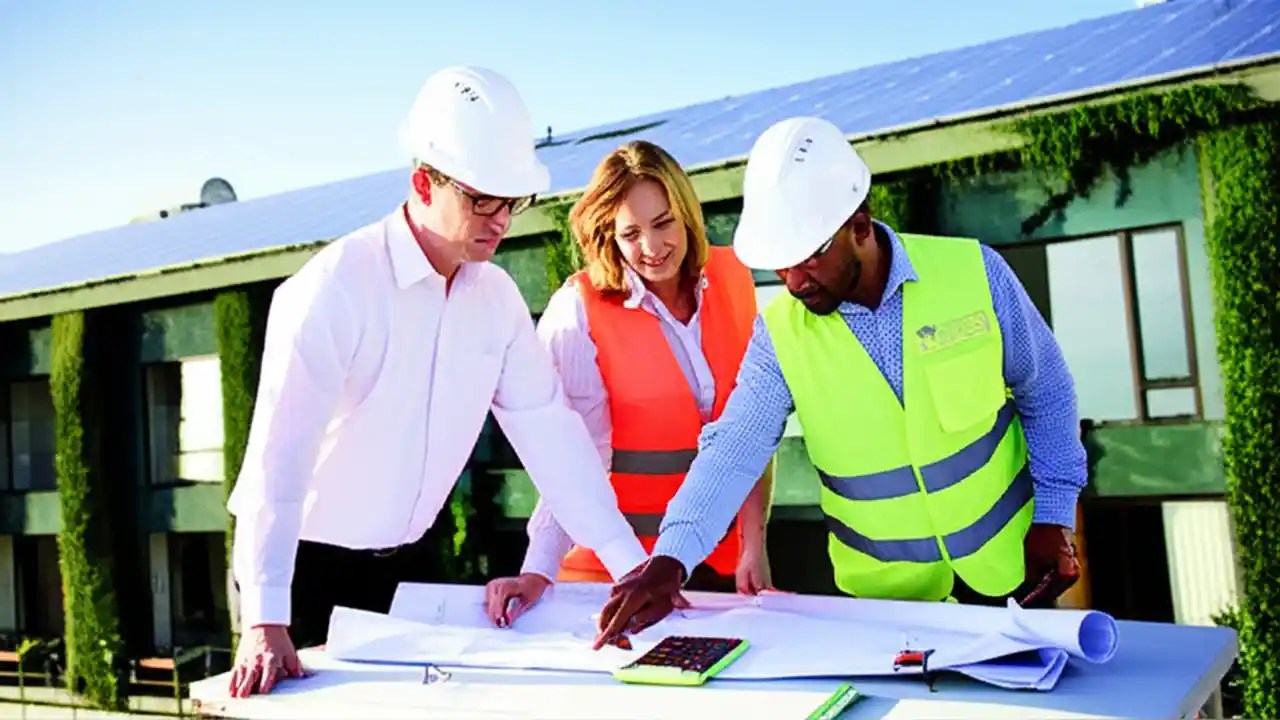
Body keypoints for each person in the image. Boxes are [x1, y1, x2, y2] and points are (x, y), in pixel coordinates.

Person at [224, 65, 649, 696]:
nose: (501, 219)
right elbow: (275, 466)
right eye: (483, 199)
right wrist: (265, 616)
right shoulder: (331, 289)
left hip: (415, 573)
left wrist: (629, 568)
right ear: (424, 181)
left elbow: (553, 437)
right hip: (303, 577)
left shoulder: (499, 301)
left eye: (512, 201)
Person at [593, 116, 1088, 648]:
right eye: (780, 267)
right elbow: (734, 447)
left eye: (807, 259)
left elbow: (1048, 392)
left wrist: (1056, 516)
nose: (794, 281)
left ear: (859, 224)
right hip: (884, 609)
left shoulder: (974, 272)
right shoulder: (781, 333)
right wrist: (672, 558)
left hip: (1012, 571)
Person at [482, 141, 775, 626]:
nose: (652, 248)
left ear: (686, 214)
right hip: (613, 583)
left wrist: (755, 544)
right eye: (630, 233)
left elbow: (754, 428)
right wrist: (537, 570)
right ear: (607, 236)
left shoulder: (735, 278)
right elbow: (572, 457)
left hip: (723, 576)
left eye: (663, 224)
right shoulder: (578, 314)